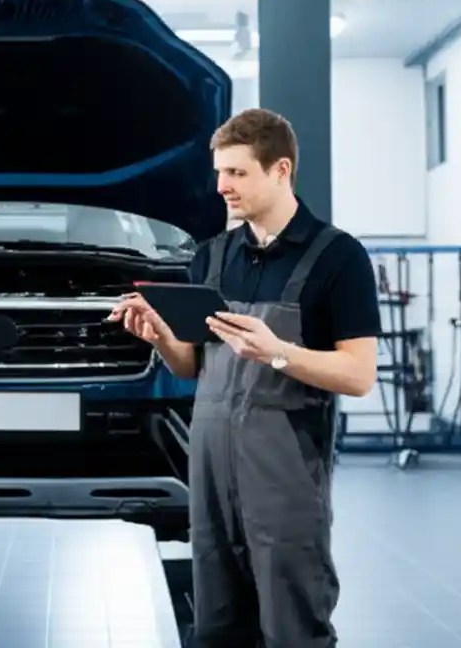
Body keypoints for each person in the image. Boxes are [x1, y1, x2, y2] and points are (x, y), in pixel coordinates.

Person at [108, 108, 380, 647]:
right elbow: (194, 366)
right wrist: (159, 337)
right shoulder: (211, 257)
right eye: (219, 172)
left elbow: (358, 374)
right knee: (216, 625)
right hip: (211, 467)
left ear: (281, 170)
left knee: (292, 623)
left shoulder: (338, 258)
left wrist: (279, 353)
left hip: (283, 471)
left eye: (236, 172)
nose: (222, 187)